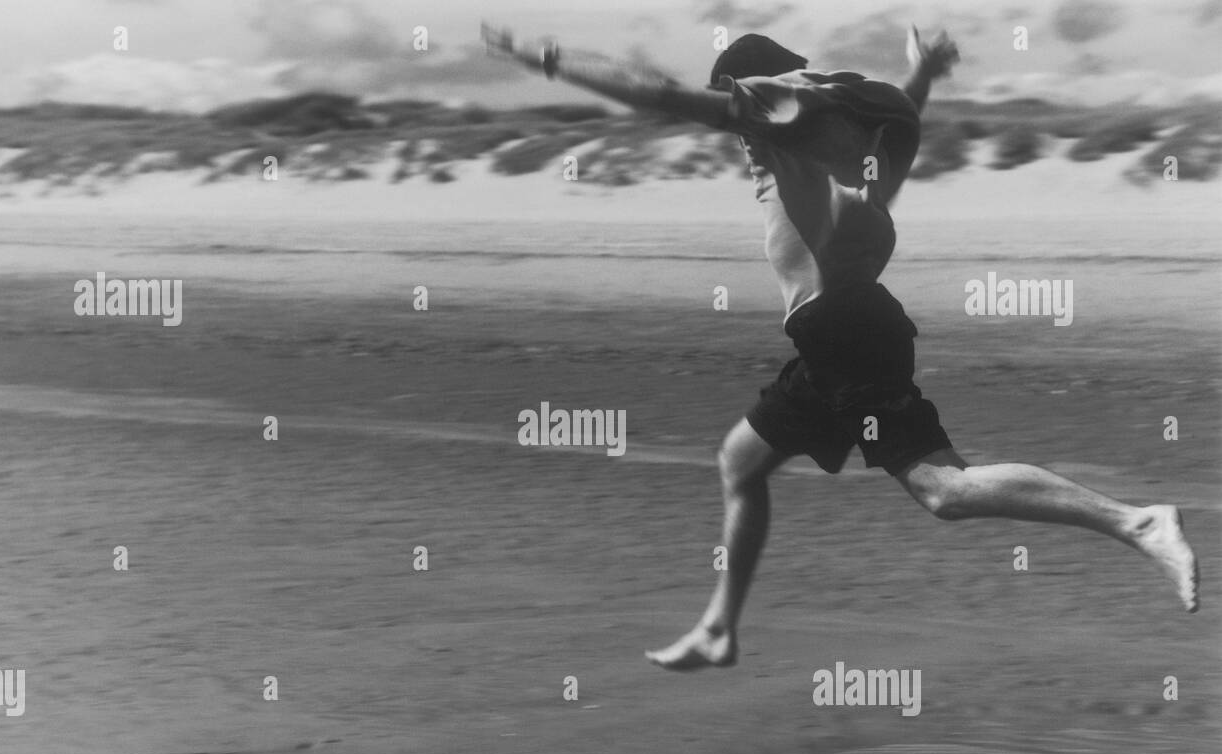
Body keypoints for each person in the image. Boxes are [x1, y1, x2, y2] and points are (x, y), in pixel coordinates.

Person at [483, 24, 1199, 671]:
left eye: (731, 108)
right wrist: (919, 69)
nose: (735, 131)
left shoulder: (778, 107)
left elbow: (658, 94)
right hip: (832, 336)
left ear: (752, 90)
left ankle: (1134, 521)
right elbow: (903, 114)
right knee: (740, 460)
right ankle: (717, 628)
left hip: (849, 333)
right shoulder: (851, 129)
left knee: (943, 490)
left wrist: (541, 57)